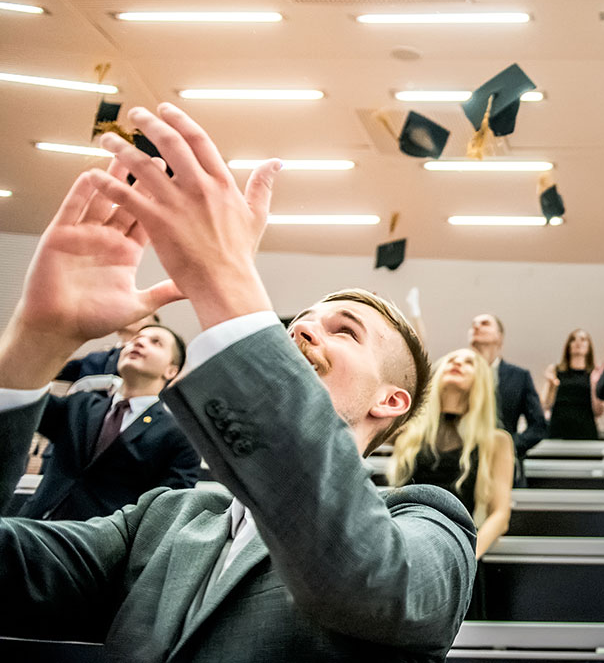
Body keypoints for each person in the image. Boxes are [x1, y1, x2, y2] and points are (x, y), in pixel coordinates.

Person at [0, 104, 476, 660]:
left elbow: (372, 585)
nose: (302, 332)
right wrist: (36, 341)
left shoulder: (429, 524)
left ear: (389, 401)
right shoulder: (165, 520)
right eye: (298, 323)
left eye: (345, 331)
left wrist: (224, 284)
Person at [20, 322, 200, 520]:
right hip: (32, 528)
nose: (139, 342)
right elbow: (24, 397)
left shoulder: (181, 434)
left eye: (155, 342)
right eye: (135, 339)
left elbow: (168, 509)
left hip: (99, 545)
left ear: (171, 371)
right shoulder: (79, 404)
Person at [391, 348, 514, 618]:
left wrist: (467, 558)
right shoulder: (408, 436)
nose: (457, 361)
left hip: (460, 558)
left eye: (469, 362)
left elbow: (500, 515)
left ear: (480, 381)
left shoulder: (496, 441)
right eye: (451, 359)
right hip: (406, 557)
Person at [468, 313, 546, 461]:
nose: (476, 326)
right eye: (473, 324)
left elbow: (538, 426)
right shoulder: (456, 373)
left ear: (499, 336)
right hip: (460, 462)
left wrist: (509, 446)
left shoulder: (519, 376)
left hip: (505, 461)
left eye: (484, 323)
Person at [53, 312, 160, 384]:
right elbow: (50, 371)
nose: (132, 315)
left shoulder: (157, 363)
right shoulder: (93, 359)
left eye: (142, 314)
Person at [543, 329, 603, 440]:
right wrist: (551, 385)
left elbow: (598, 411)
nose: (578, 342)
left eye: (583, 339)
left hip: (585, 431)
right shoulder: (555, 370)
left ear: (589, 347)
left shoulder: (594, 373)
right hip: (558, 430)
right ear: (568, 346)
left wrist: (594, 384)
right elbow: (545, 404)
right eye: (573, 339)